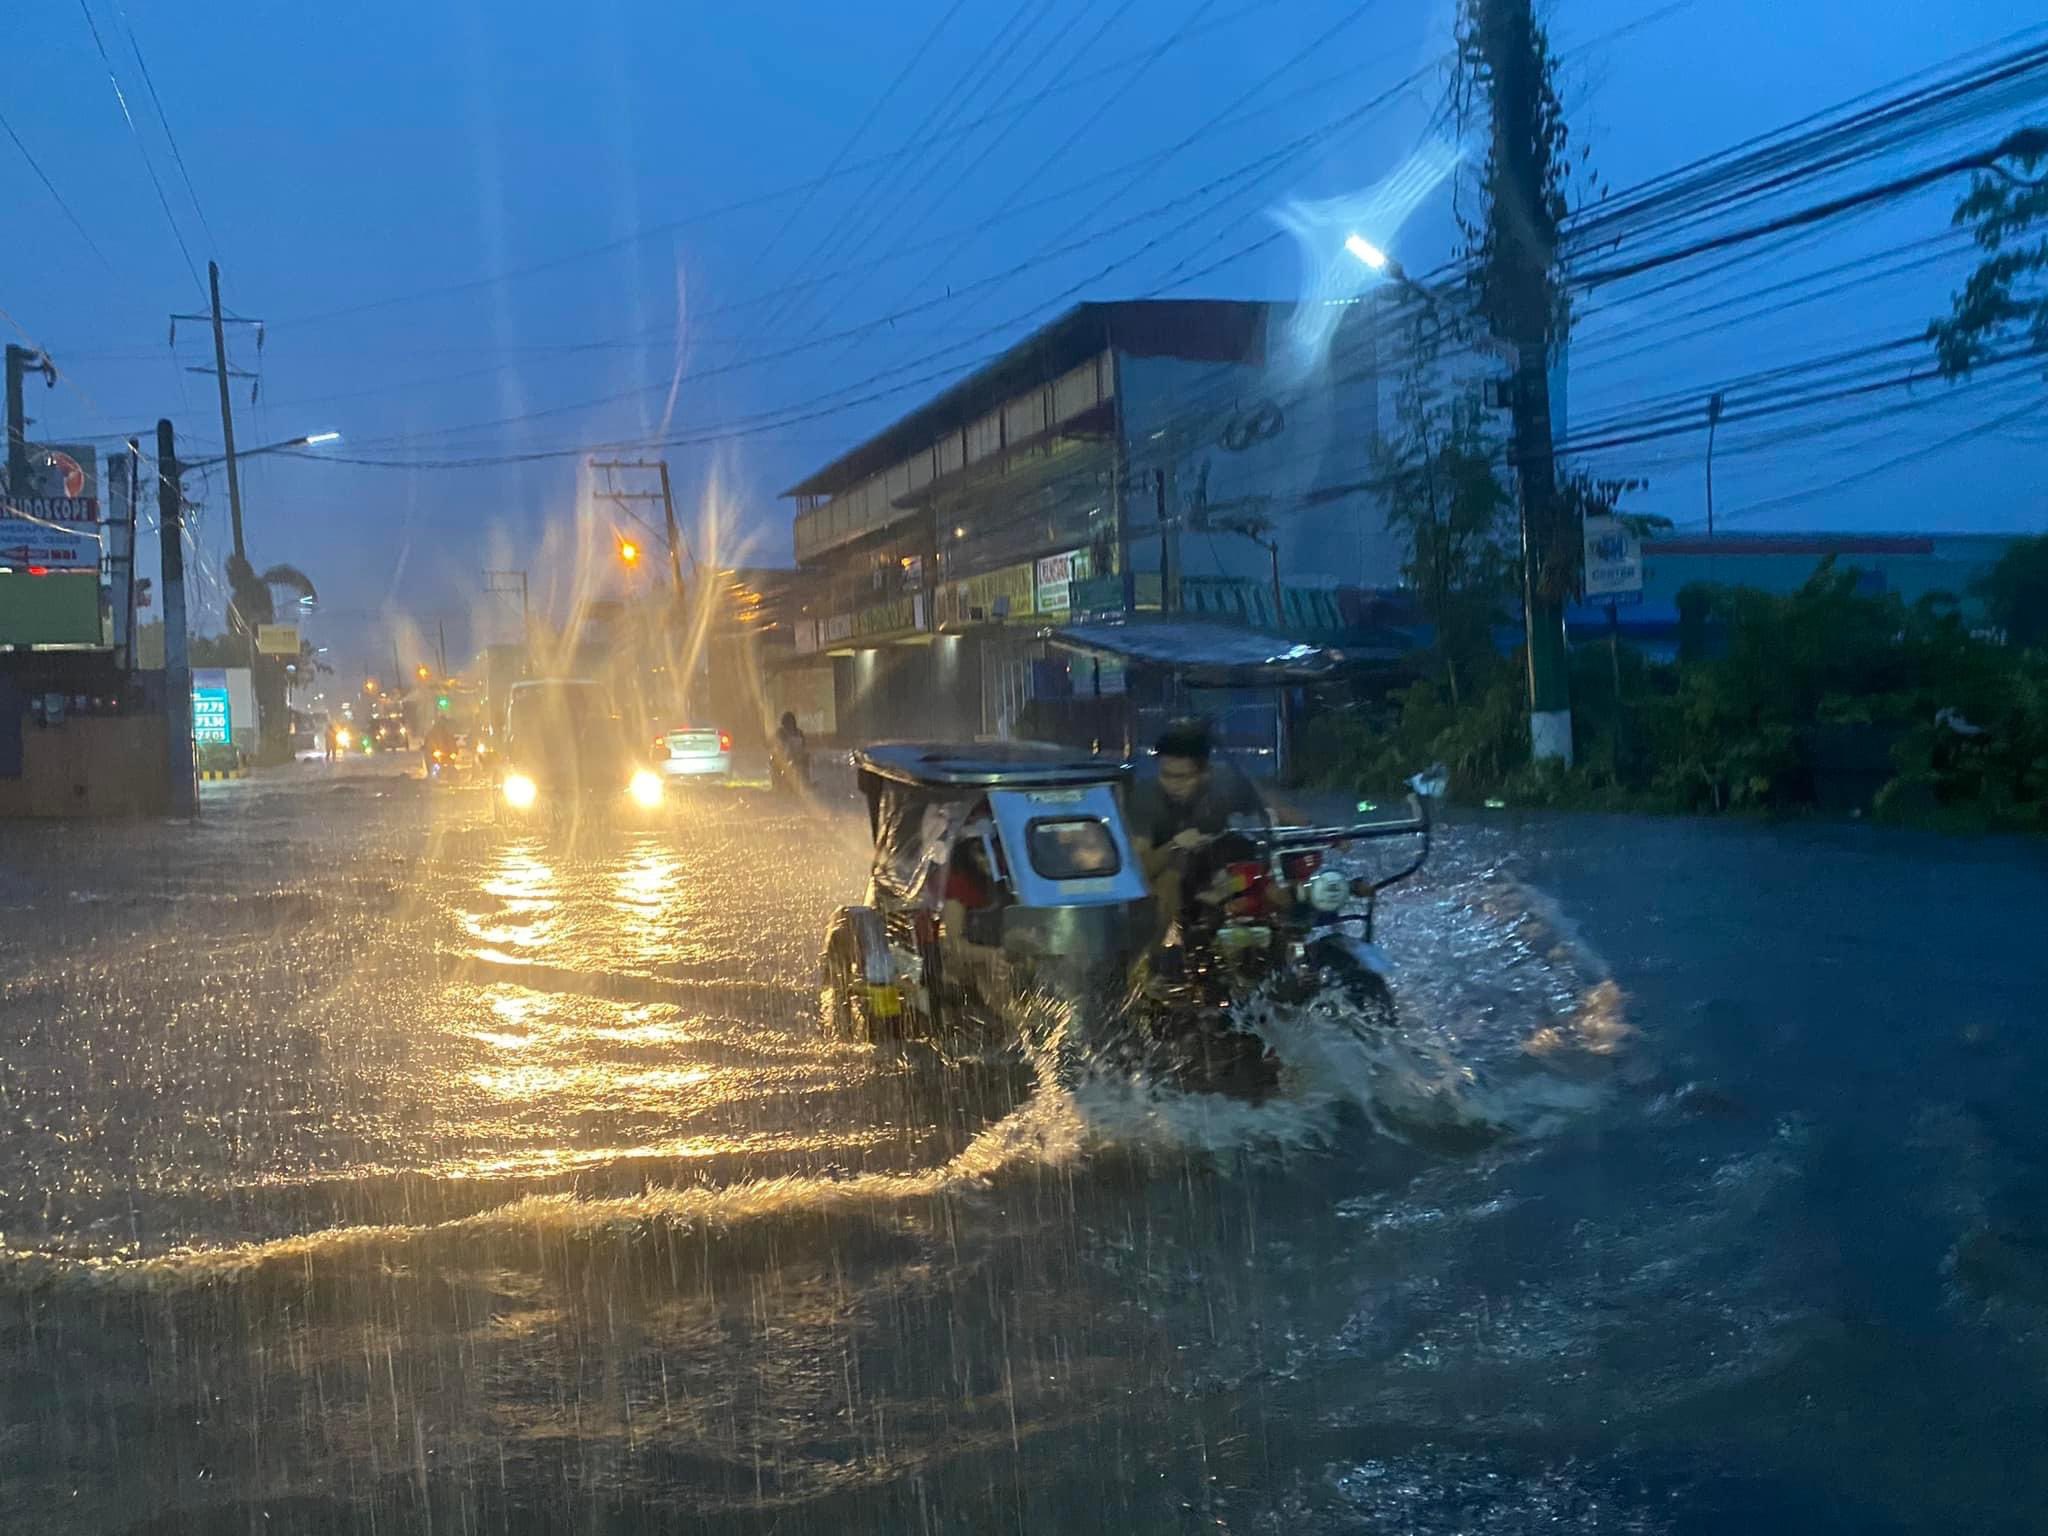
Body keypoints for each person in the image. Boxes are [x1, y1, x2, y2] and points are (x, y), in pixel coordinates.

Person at [1127, 718, 1268, 934]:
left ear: (1205, 773)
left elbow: (1277, 811)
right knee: (1169, 879)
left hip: (1222, 868)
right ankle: (1158, 960)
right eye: (1166, 775)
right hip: (1173, 878)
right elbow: (1138, 871)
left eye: (1182, 777)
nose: (1173, 784)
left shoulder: (1227, 782)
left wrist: (1326, 835)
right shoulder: (1146, 799)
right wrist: (1175, 845)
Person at [772, 711, 808, 792]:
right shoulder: (780, 733)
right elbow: (778, 746)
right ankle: (779, 784)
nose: (789, 725)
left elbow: (803, 745)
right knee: (777, 762)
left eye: (791, 722)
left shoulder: (799, 732)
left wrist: (801, 753)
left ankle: (805, 782)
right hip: (784, 757)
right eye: (787, 723)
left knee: (804, 761)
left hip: (797, 756)